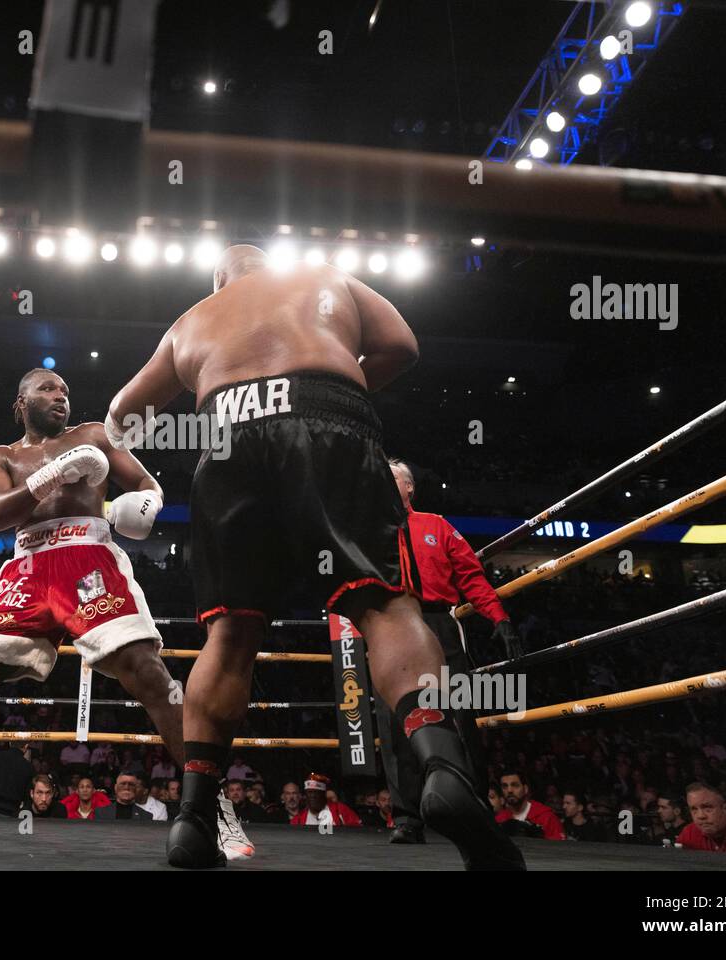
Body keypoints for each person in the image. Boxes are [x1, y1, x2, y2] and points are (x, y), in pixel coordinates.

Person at [106, 243, 522, 870]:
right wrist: (329, 386)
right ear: (270, 265)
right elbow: (402, 345)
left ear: (220, 279)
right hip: (327, 417)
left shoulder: (190, 320)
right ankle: (442, 767)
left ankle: (192, 819)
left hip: (224, 440)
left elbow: (121, 418)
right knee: (383, 606)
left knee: (230, 633)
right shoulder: (325, 277)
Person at [0, 369, 251, 859]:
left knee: (150, 677)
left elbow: (148, 483)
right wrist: (50, 477)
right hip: (26, 568)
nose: (60, 397)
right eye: (47, 389)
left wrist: (139, 506)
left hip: (87, 559)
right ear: (20, 402)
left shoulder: (92, 435)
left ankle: (211, 810)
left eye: (65, 391)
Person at [380, 458, 523, 844]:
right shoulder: (366, 528)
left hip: (439, 623)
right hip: (390, 625)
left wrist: (500, 619)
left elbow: (471, 577)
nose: (382, 481)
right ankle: (408, 818)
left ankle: (474, 806)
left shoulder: (437, 525)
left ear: (409, 487)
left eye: (391, 477)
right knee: (395, 725)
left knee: (459, 716)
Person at [496, 770, 565, 840]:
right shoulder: (500, 819)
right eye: (505, 786)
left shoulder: (547, 818)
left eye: (515, 785)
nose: (509, 790)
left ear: (525, 789)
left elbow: (560, 848)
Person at [289, 773, 361, 827]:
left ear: (324, 795)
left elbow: (358, 832)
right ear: (305, 796)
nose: (313, 796)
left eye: (316, 792)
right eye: (310, 792)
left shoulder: (340, 810)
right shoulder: (297, 821)